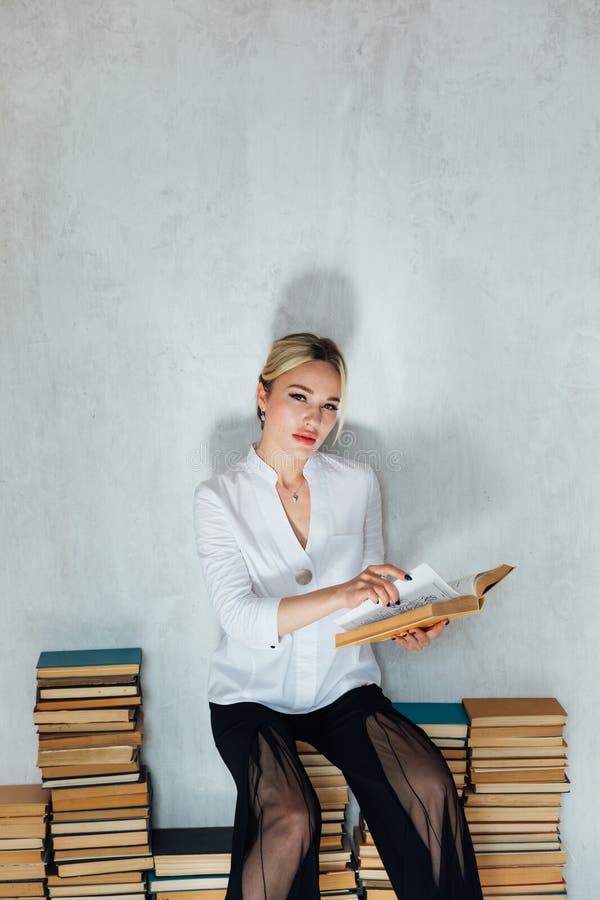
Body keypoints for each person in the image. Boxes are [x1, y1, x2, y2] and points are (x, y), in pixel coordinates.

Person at [193, 332, 483, 900]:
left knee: (428, 782)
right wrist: (343, 593)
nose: (314, 419)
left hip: (341, 684)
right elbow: (243, 620)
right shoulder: (218, 497)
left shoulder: (358, 484)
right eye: (299, 397)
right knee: (291, 815)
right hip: (251, 694)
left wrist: (408, 622)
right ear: (262, 394)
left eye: (329, 406)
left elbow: (374, 593)